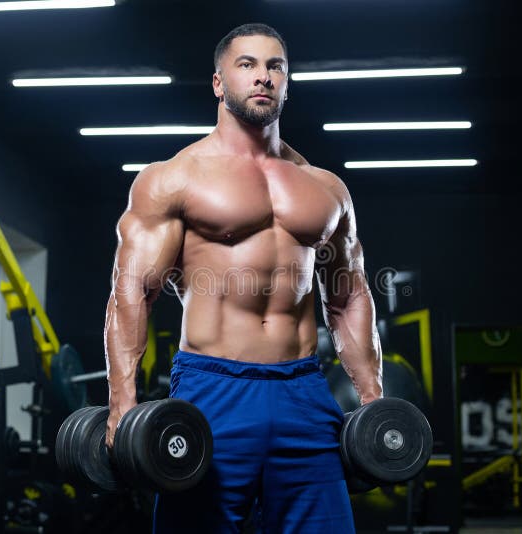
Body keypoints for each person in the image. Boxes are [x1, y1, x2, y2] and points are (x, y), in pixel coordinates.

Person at [103, 23, 383, 533]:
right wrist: (123, 402)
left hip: (303, 390)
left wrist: (373, 400)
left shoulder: (325, 188)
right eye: (247, 65)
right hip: (213, 389)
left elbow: (348, 296)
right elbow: (132, 292)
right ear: (218, 83)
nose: (263, 77)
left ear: (287, 82)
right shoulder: (174, 178)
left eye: (275, 66)